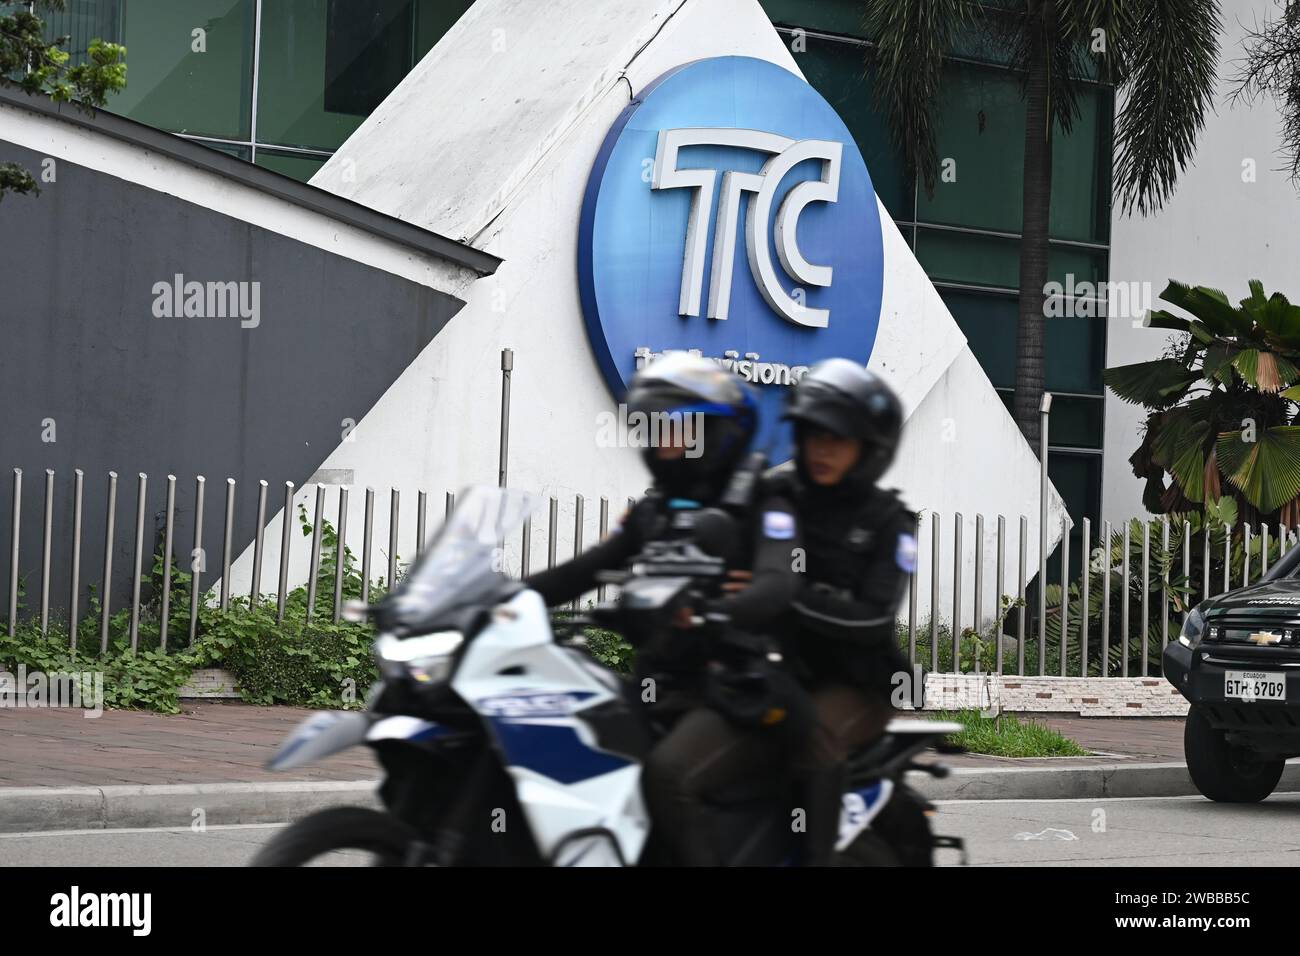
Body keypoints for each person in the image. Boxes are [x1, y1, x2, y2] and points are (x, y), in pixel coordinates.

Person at [525, 352, 805, 866]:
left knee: (669, 775)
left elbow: (775, 583)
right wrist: (500, 596)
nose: (665, 441)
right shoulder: (654, 510)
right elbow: (583, 571)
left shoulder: (764, 503)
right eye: (656, 429)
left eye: (679, 428)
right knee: (571, 753)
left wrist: (719, 608)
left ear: (719, 431)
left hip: (736, 688)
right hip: (660, 683)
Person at [740, 358, 915, 866]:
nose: (822, 449)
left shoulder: (889, 523)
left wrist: (785, 595)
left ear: (868, 448)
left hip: (856, 680)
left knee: (813, 738)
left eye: (837, 438)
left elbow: (873, 618)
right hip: (779, 666)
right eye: (813, 435)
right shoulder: (777, 496)